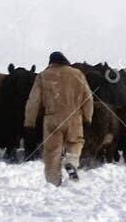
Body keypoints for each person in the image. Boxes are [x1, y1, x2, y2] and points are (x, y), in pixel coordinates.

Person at [23, 52, 93, 186]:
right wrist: (87, 118)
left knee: (52, 152)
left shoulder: (43, 76)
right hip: (74, 118)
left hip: (52, 119)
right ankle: (71, 161)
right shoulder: (77, 74)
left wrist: (29, 123)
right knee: (75, 143)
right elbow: (88, 98)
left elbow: (33, 102)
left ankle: (53, 183)